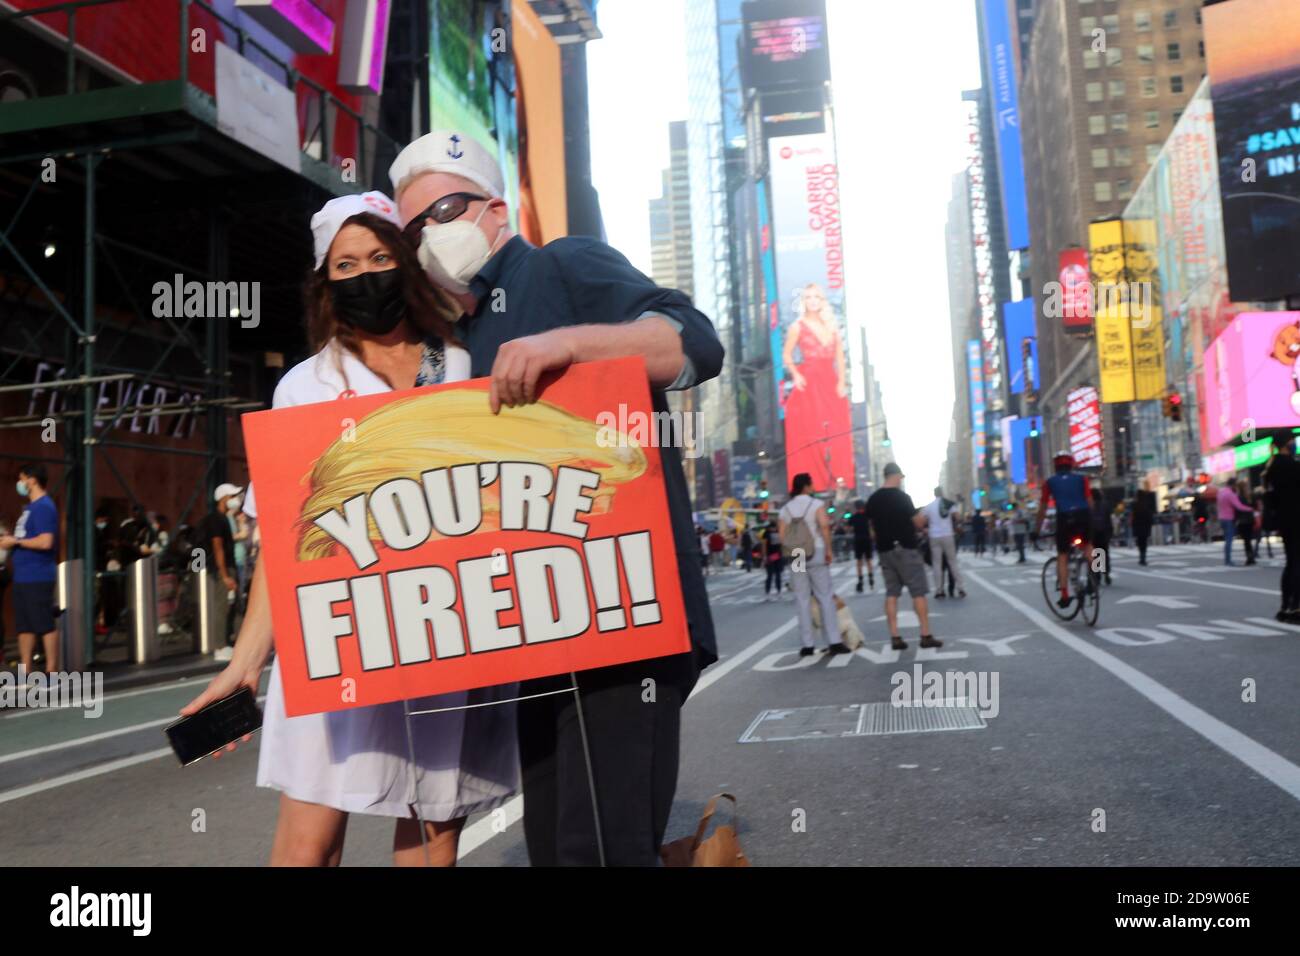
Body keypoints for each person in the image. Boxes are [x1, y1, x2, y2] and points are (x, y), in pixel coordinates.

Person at [391, 130, 723, 866]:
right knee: (560, 849)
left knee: (596, 849)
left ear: (494, 210)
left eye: (446, 209)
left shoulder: (563, 264)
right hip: (537, 633)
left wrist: (567, 345)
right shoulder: (453, 345)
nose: (431, 235)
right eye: (415, 228)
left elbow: (692, 343)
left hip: (625, 618)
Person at [182, 191, 518, 866]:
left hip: (440, 628)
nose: (365, 274)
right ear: (325, 283)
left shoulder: (459, 364)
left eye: (378, 256)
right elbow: (287, 540)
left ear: (405, 263)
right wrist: (247, 663)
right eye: (345, 264)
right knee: (310, 837)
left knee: (432, 825)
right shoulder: (303, 387)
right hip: (337, 635)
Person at [866, 463, 940, 650]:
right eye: (900, 476)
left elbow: (871, 529)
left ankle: (895, 637)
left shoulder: (873, 499)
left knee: (892, 593)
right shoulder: (902, 497)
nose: (901, 480)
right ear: (896, 475)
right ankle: (925, 634)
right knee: (918, 592)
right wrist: (922, 518)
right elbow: (918, 523)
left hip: (885, 551)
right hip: (906, 548)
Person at [0, 464, 60, 677]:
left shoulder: (44, 507)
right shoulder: (29, 509)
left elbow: (46, 541)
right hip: (23, 575)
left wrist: (15, 541)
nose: (20, 483)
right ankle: (26, 672)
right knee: (24, 626)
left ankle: (51, 671)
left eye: (22, 478)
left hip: (38, 574)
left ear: (32, 480)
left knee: (43, 623)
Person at [779, 473, 846, 657]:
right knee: (824, 596)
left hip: (797, 554)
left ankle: (807, 644)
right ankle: (834, 641)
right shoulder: (816, 504)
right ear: (807, 486)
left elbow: (782, 534)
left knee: (802, 598)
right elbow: (824, 526)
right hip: (815, 550)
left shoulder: (786, 508)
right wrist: (828, 549)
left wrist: (792, 548)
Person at [1033, 450, 1095, 608]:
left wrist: (1036, 530)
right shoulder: (1082, 479)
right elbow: (1090, 501)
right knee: (1089, 546)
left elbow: (1043, 508)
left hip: (1064, 519)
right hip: (1083, 516)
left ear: (1056, 466)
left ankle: (1065, 595)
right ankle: (1096, 574)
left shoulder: (1050, 482)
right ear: (1071, 464)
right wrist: (1092, 519)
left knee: (1063, 555)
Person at [1263, 438, 1300, 622]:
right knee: (1296, 563)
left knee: (1291, 562)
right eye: (1292, 441)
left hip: (1283, 521)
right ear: (1286, 444)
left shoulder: (1270, 467)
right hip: (1296, 518)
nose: (1294, 444)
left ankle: (1286, 606)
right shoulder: (1292, 466)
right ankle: (1296, 607)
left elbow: (1270, 497)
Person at [922, 485, 966, 598]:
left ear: (934, 494)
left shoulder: (929, 507)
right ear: (942, 493)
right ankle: (960, 588)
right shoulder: (949, 504)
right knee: (953, 562)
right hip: (947, 535)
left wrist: (926, 529)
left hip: (934, 536)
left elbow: (922, 521)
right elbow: (958, 517)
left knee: (937, 564)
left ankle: (939, 590)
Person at [1216, 476, 1255, 566]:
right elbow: (1239, 506)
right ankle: (1228, 560)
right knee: (1229, 539)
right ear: (1233, 485)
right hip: (1229, 518)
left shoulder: (1220, 492)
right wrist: (1250, 509)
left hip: (1222, 518)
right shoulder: (1231, 494)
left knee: (1227, 539)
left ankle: (1227, 559)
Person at [848, 499, 874, 592]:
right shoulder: (868, 516)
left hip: (858, 540)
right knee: (868, 560)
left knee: (859, 562)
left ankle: (860, 580)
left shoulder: (854, 517)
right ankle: (871, 577)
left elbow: (849, 528)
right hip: (867, 540)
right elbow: (871, 526)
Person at [1089, 488, 1113, 586]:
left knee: (1095, 554)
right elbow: (1109, 520)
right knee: (1104, 553)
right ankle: (1106, 574)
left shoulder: (1090, 505)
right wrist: (1110, 533)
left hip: (1093, 534)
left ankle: (1097, 575)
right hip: (1104, 533)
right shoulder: (1105, 505)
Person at [1132, 479, 1156, 565]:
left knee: (1140, 542)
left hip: (1138, 527)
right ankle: (1143, 558)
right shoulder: (1146, 504)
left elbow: (1133, 517)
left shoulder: (1135, 505)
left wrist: (1133, 525)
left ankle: (1141, 557)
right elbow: (1149, 515)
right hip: (1145, 526)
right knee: (1144, 542)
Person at [1235, 479, 1258, 566]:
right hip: (1249, 520)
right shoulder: (1250, 496)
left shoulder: (1238, 497)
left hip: (1242, 521)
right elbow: (1255, 507)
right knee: (1249, 539)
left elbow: (1237, 509)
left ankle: (1250, 557)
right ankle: (1251, 556)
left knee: (1246, 540)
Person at [763, 519, 785, 600]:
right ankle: (774, 592)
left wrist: (765, 556)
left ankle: (772, 592)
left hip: (773, 556)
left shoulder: (767, 533)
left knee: (773, 575)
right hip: (774, 556)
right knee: (773, 575)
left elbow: (764, 545)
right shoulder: (772, 533)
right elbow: (764, 545)